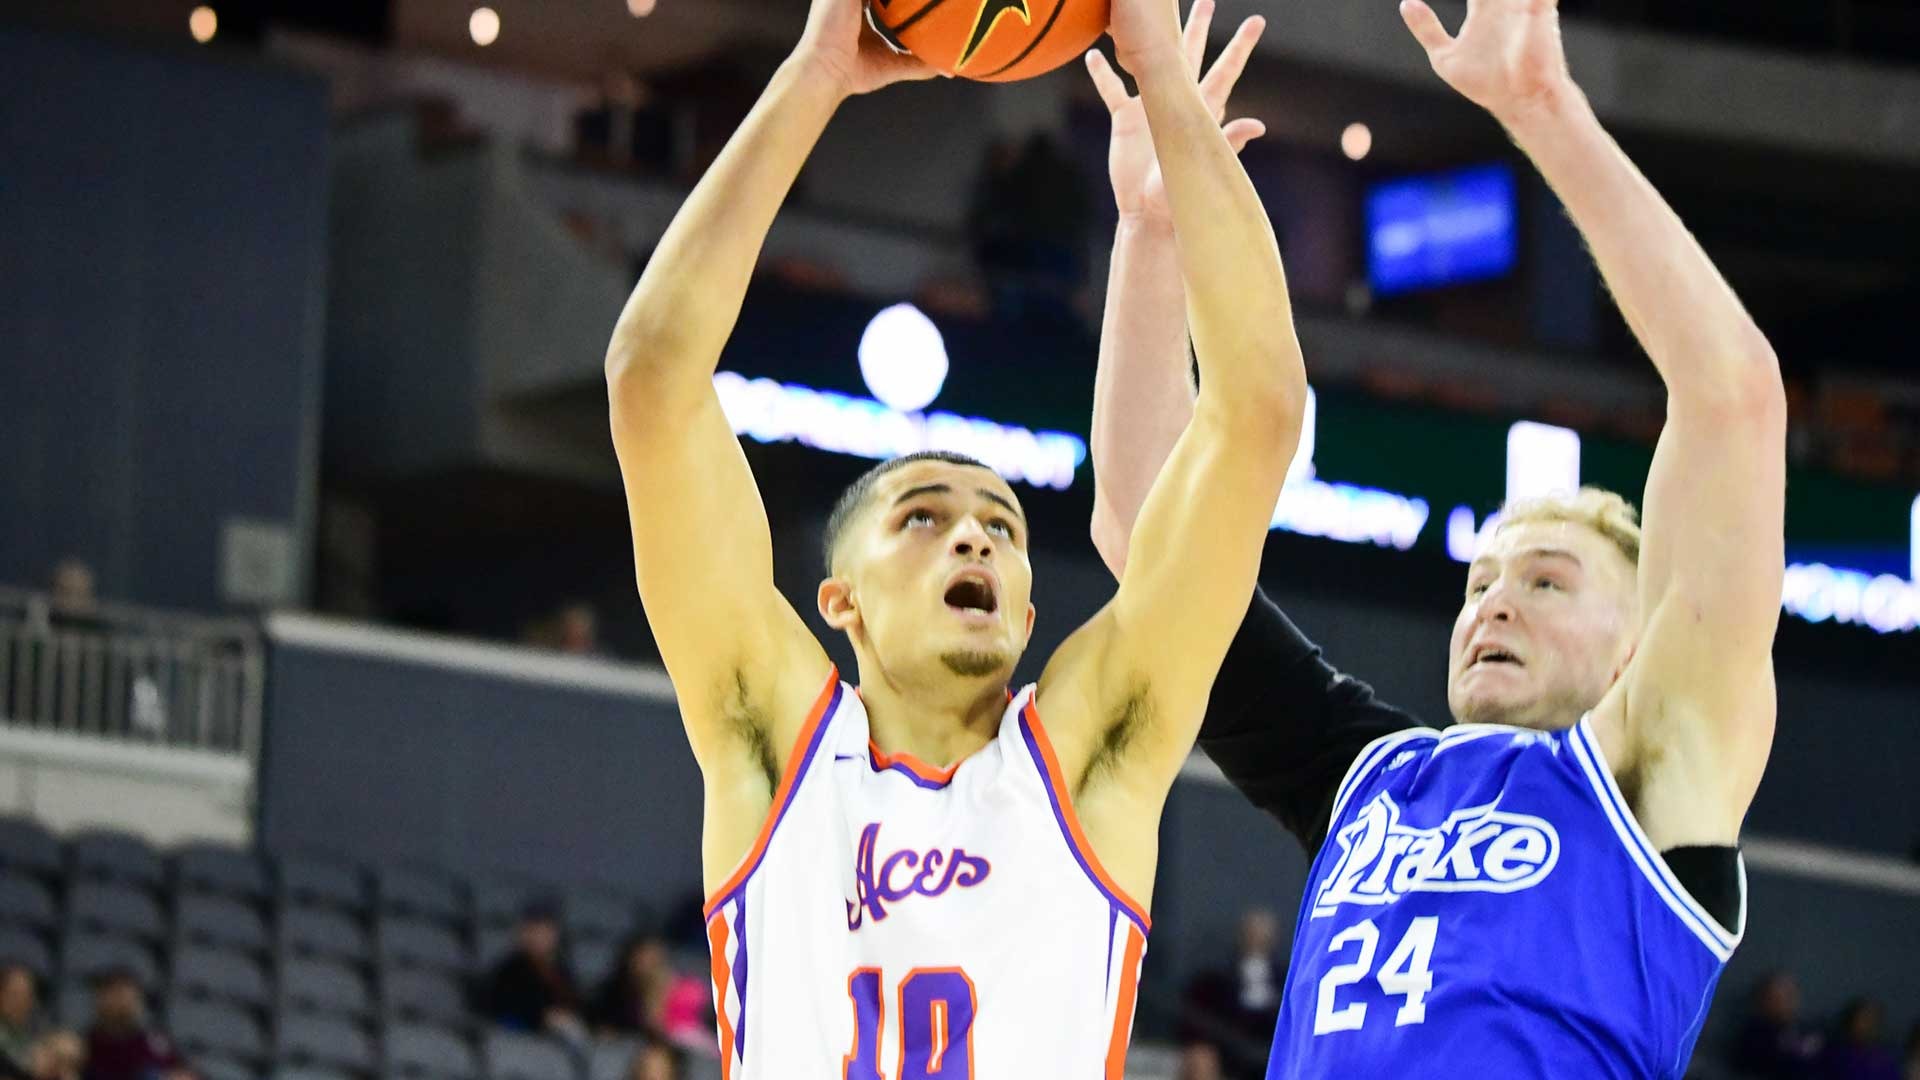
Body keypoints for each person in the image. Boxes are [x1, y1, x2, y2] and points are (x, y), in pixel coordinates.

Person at [603, 0, 1307, 1073]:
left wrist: (1165, 81)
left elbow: (1255, 410)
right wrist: (818, 71)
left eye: (1001, 527)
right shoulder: (775, 741)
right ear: (837, 600)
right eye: (922, 517)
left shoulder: (1085, 760)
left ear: (1028, 614)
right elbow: (652, 378)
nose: (972, 539)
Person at [1087, 0, 1785, 1075]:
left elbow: (1731, 398)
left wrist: (1543, 109)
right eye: (1481, 583)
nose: (1494, 602)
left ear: (1638, 644)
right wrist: (1153, 232)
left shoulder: (1656, 774)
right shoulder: (1372, 774)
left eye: (1548, 582)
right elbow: (1148, 533)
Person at [481, 904, 587, 1044]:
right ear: (523, 933)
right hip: (524, 1035)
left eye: (546, 931)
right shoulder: (509, 969)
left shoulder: (561, 970)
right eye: (535, 930)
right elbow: (502, 1004)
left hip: (562, 1035)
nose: (541, 937)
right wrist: (544, 1016)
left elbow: (575, 1003)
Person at [80, 969, 191, 1080]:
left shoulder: (154, 1043)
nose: (122, 1001)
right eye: (115, 993)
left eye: (128, 994)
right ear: (99, 999)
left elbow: (182, 1073)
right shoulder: (83, 1046)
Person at [1731, 972, 1821, 1079]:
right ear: (1762, 999)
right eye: (1777, 997)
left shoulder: (1810, 1029)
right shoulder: (1754, 1035)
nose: (1785, 1002)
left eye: (1789, 995)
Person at [1814, 1000, 1901, 1080]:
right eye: (1864, 1019)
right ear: (1851, 1021)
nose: (1869, 1026)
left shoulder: (1885, 1062)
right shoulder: (1833, 1055)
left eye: (1873, 1020)